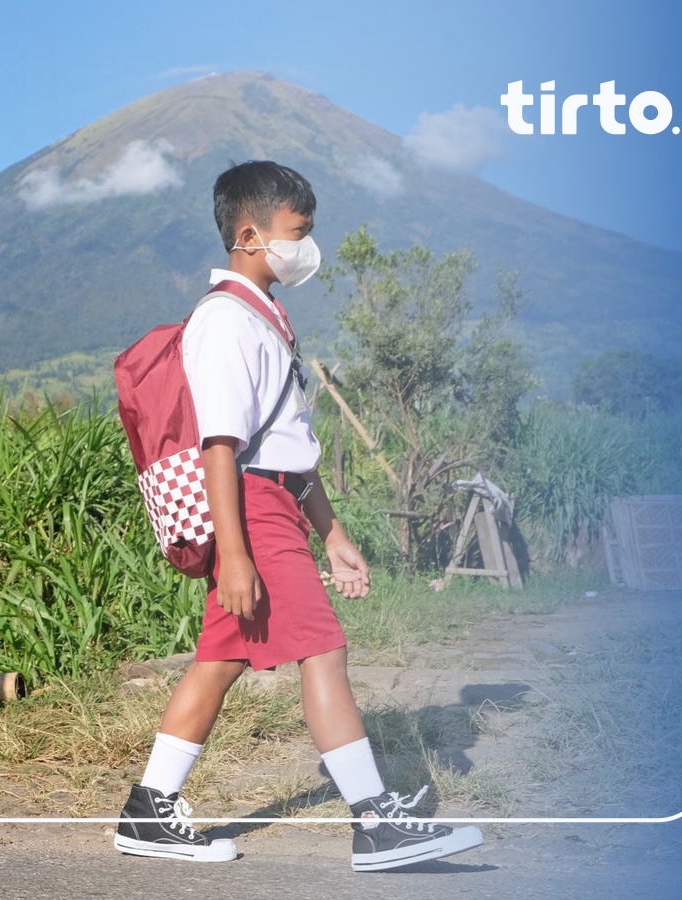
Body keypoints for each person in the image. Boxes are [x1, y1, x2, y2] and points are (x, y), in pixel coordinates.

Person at [112, 162, 483, 871]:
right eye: (298, 232)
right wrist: (238, 552)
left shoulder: (263, 316)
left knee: (220, 660)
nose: (307, 247)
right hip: (249, 509)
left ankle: (149, 809)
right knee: (324, 649)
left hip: (272, 500)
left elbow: (287, 446)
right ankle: (375, 822)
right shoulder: (224, 321)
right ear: (249, 235)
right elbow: (220, 445)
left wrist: (333, 533)